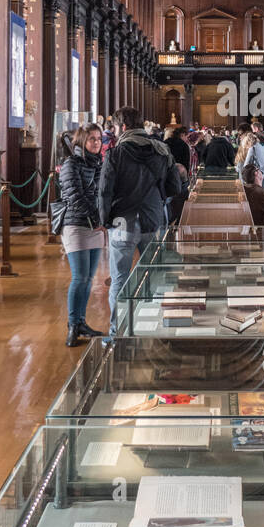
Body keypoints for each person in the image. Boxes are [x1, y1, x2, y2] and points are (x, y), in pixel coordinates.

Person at [98, 107, 182, 337]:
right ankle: (150, 329)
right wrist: (158, 199)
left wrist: (104, 220)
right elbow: (175, 186)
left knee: (119, 279)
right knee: (153, 274)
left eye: (115, 128)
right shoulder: (162, 149)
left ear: (123, 127)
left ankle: (119, 332)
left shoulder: (115, 153)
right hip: (153, 219)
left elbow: (105, 191)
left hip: (122, 221)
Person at [58, 123, 106, 347]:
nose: (96, 142)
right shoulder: (71, 163)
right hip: (76, 225)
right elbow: (74, 196)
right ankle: (72, 326)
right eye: (92, 139)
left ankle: (81, 322)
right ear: (81, 142)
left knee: (88, 279)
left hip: (95, 227)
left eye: (98, 138)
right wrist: (98, 219)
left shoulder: (99, 163)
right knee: (79, 277)